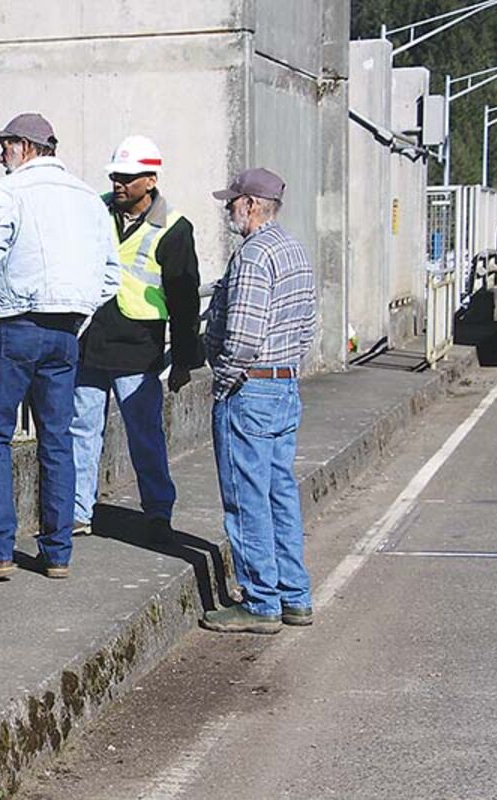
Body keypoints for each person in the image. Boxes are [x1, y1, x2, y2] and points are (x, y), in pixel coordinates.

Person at [0, 113, 120, 580]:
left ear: (25, 147)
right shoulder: (89, 198)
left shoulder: (8, 191)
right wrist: (80, 310)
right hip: (66, 330)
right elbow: (111, 273)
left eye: (5, 145)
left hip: (15, 324)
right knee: (57, 438)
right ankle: (57, 552)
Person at [200, 167, 316, 634]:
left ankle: (260, 601)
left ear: (250, 205)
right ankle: (295, 595)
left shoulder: (253, 255)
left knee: (245, 496)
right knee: (279, 493)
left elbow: (243, 333)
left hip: (251, 388)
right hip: (284, 383)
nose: (229, 209)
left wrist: (225, 378)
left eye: (233, 202)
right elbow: (307, 326)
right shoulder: (295, 251)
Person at [70, 135, 201, 540]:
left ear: (150, 179)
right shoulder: (95, 210)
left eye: (127, 177)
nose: (119, 184)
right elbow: (42, 210)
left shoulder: (174, 228)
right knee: (81, 429)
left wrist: (182, 360)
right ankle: (78, 512)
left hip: (138, 347)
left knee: (144, 433)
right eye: (115, 176)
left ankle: (158, 511)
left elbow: (185, 298)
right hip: (91, 339)